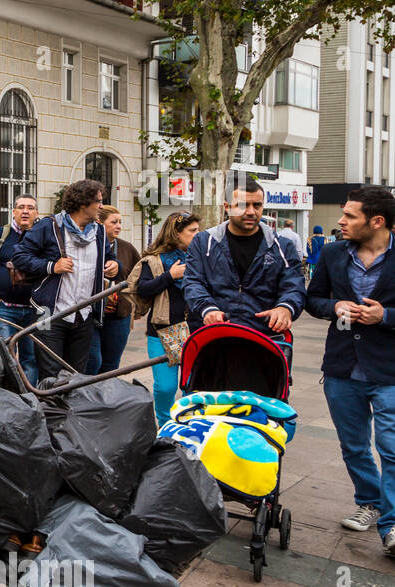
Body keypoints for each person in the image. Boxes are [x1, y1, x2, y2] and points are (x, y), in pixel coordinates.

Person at [305, 186, 395, 555]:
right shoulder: (332, 252)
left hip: (389, 370)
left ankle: (391, 527)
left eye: (349, 216)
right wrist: (334, 307)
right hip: (342, 367)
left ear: (377, 221)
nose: (340, 222)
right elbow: (312, 298)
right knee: (354, 446)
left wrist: (385, 316)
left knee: (391, 449)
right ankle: (371, 501)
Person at [183, 176, 306, 363]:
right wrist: (207, 309)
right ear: (227, 207)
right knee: (213, 393)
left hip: (265, 340)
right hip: (215, 339)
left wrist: (285, 308)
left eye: (257, 205)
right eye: (242, 205)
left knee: (264, 393)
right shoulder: (203, 242)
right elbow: (193, 282)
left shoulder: (282, 246)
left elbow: (294, 285)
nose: (250, 211)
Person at [12, 179, 119, 377]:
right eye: (98, 201)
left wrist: (114, 266)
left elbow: (110, 258)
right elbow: (19, 256)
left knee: (75, 375)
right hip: (48, 314)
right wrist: (52, 266)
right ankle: (50, 408)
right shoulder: (49, 226)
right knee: (50, 376)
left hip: (84, 315)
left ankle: (72, 408)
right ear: (82, 203)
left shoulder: (99, 232)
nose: (101, 206)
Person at [133, 211, 201, 425]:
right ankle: (164, 424)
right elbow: (141, 290)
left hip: (196, 330)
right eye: (193, 231)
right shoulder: (154, 260)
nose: (198, 235)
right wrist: (170, 276)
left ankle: (190, 425)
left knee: (192, 385)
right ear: (176, 232)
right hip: (164, 329)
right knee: (165, 387)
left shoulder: (201, 258)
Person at [0, 192, 39, 382]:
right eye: (21, 207)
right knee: (5, 357)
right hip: (4, 309)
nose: (25, 211)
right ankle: (8, 395)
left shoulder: (42, 237)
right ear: (13, 212)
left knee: (32, 358)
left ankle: (30, 397)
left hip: (35, 310)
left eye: (30, 208)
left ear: (37, 213)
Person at [88, 204, 140, 375]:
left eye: (120, 222)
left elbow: (139, 275)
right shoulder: (88, 244)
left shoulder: (127, 248)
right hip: (92, 314)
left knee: (111, 365)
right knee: (93, 361)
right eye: (114, 222)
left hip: (118, 315)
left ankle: (108, 398)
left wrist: (135, 304)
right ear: (99, 223)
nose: (118, 226)